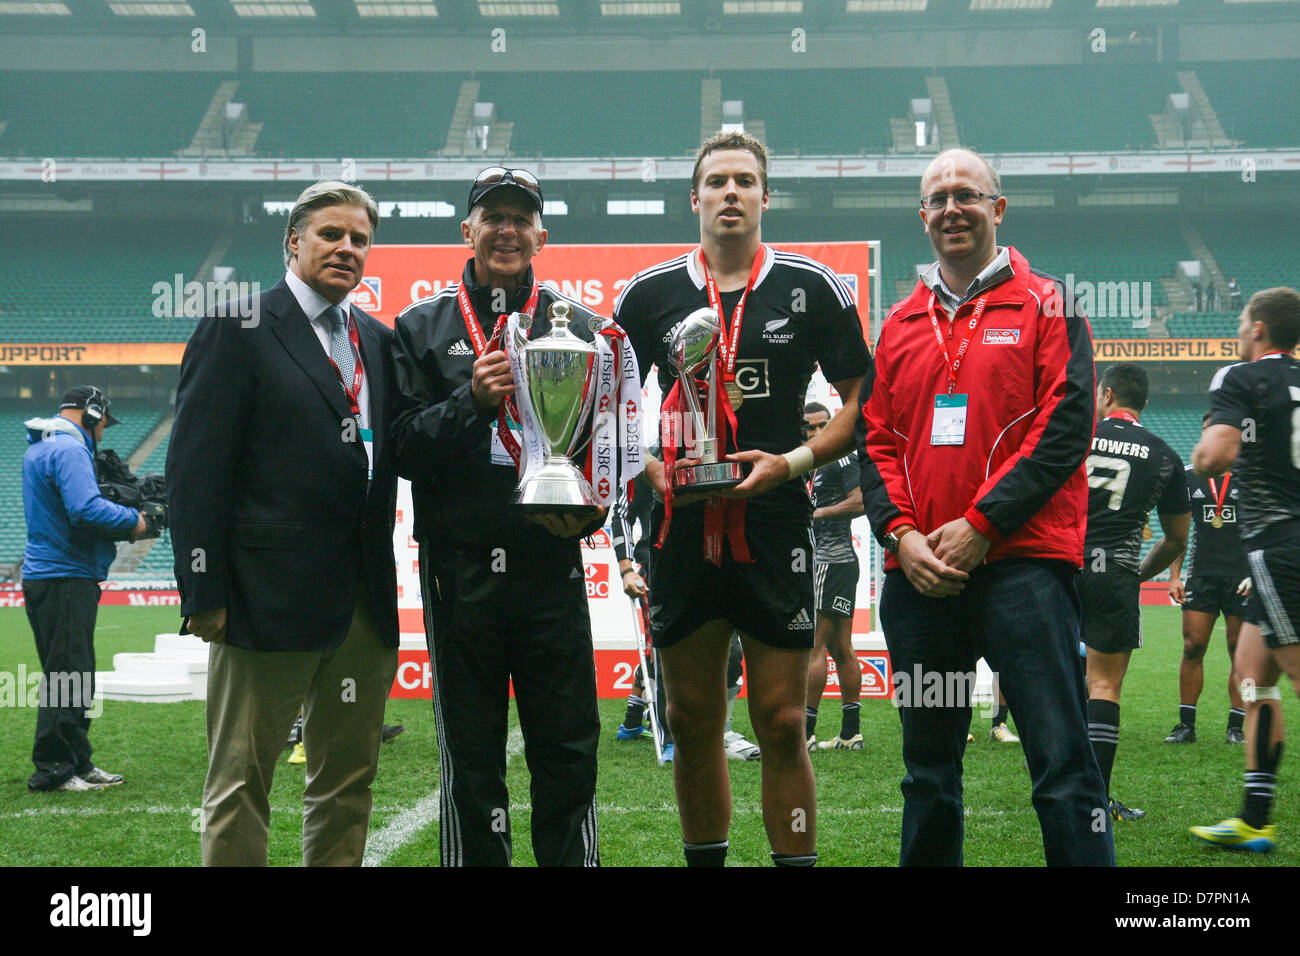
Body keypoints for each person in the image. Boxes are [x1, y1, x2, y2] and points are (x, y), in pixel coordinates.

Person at [614, 130, 870, 867]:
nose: (731, 192)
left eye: (745, 181)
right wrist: (644, 465)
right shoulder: (650, 294)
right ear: (694, 198)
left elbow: (861, 399)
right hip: (679, 524)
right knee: (692, 717)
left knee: (784, 720)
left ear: (764, 196)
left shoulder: (810, 287)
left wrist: (792, 463)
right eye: (717, 181)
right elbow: (611, 400)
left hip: (775, 519)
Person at [858, 147, 1114, 866]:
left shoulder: (1048, 301)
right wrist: (901, 536)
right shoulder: (901, 322)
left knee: (1063, 767)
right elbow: (876, 443)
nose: (951, 209)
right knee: (929, 774)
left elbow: (1064, 428)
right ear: (922, 217)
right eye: (937, 199)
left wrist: (979, 526)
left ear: (997, 209)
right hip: (919, 582)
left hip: (1022, 571)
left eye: (967, 195)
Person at [392, 166, 634, 866]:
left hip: (547, 564)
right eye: (492, 216)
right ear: (467, 231)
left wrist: (586, 521)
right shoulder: (422, 326)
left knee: (567, 744)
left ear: (541, 235)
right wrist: (470, 401)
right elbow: (403, 450)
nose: (506, 229)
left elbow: (605, 458)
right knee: (470, 753)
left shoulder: (581, 330)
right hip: (457, 568)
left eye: (520, 218)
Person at [168, 180, 401, 866]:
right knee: (242, 780)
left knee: (348, 780)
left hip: (362, 605)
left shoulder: (379, 343)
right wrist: (203, 592)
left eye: (360, 239)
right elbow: (195, 469)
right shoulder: (235, 326)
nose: (347, 248)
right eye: (331, 234)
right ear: (293, 242)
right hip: (263, 602)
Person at [1190, 287, 1300, 853]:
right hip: (1282, 547)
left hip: (1279, 545)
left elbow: (1213, 456)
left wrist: (1200, 454)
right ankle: (1256, 818)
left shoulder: (1243, 377)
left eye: (1240, 323)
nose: (1238, 332)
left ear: (1258, 329)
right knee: (1254, 677)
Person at [1079, 363, 1190, 822]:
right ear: (1142, 404)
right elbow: (1177, 540)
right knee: (1103, 684)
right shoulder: (1164, 455)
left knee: (1057, 679)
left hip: (1058, 563)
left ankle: (1057, 783)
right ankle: (1095, 803)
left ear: (1105, 395)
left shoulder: (1076, 436)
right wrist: (1139, 574)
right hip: (1115, 574)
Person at [22, 386, 147, 793]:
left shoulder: (43, 446)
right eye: (105, 423)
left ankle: (77, 760)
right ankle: (54, 769)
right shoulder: (70, 449)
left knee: (74, 673)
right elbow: (85, 508)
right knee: (68, 675)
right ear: (92, 414)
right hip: (65, 576)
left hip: (54, 575)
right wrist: (137, 521)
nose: (105, 433)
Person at [1164, 412, 1250, 746]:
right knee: (1192, 646)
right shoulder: (1187, 478)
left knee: (1239, 652)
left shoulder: (1252, 478)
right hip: (1200, 574)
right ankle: (1186, 725)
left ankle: (1236, 727)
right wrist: (1174, 576)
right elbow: (1177, 533)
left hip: (1241, 577)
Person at [800, 402, 865, 753]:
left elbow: (861, 502)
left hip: (829, 562)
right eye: (809, 427)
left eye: (822, 425)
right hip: (838, 564)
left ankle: (806, 732)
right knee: (841, 647)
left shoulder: (841, 458)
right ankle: (851, 732)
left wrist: (817, 513)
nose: (815, 432)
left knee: (816, 647)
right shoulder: (814, 463)